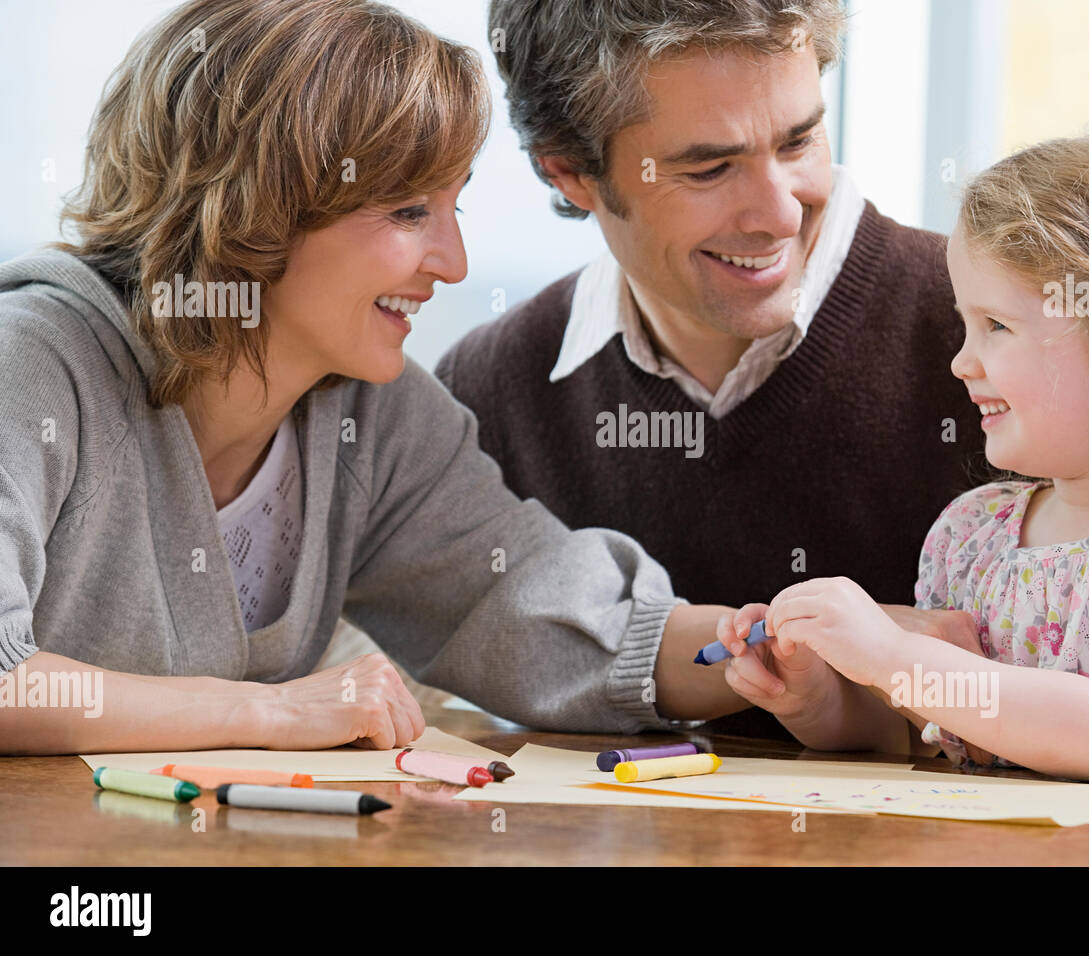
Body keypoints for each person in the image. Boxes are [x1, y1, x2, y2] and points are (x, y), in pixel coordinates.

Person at [0, 0, 768, 755]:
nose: (453, 262)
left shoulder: (372, 413)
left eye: (452, 207)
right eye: (407, 213)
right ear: (251, 208)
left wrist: (759, 651)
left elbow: (523, 606)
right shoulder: (32, 364)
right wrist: (270, 714)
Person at [435, 0, 994, 745]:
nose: (778, 214)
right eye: (709, 167)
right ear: (572, 173)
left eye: (799, 142)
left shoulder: (996, 342)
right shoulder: (490, 392)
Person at [721, 123, 1089, 789]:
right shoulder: (974, 536)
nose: (962, 361)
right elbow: (924, 733)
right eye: (966, 324)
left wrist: (891, 655)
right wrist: (815, 695)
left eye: (997, 326)